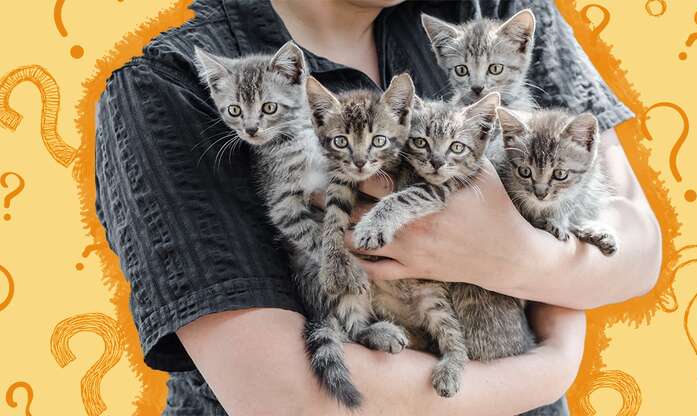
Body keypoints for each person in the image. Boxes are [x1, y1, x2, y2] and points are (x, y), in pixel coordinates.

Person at [94, 0, 661, 414]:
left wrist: (512, 253)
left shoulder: (491, 14)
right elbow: (289, 399)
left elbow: (636, 245)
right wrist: (553, 366)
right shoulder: (167, 90)